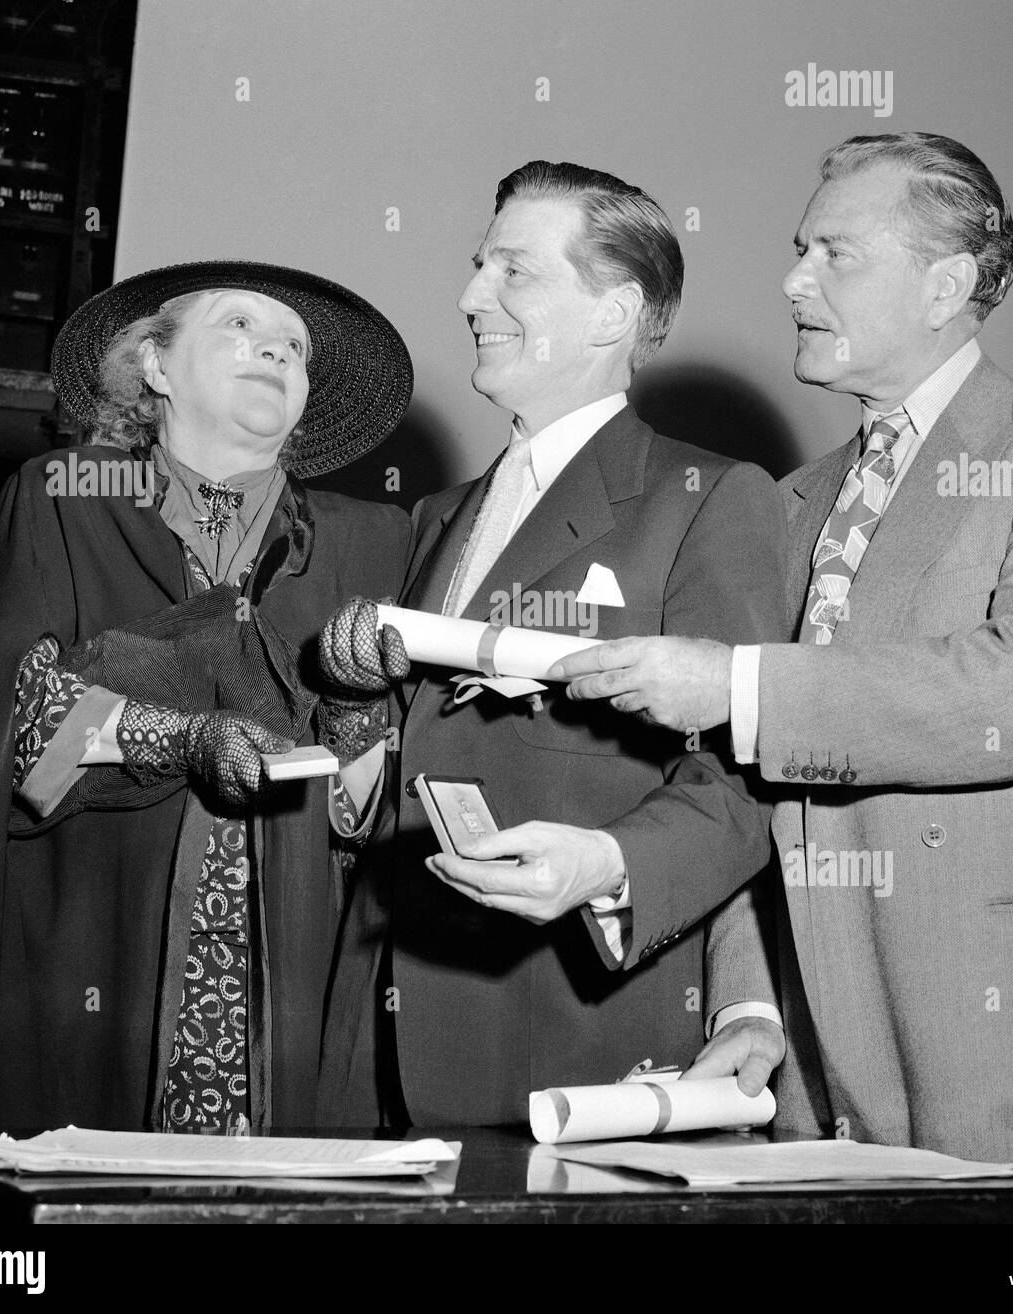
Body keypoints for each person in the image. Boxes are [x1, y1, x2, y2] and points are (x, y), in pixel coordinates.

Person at [551, 133, 1013, 1218]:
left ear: (944, 285)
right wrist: (749, 1013)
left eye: (833, 253)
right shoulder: (793, 502)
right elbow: (762, 808)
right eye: (799, 249)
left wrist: (738, 686)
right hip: (819, 1097)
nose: (793, 280)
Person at [320, 161, 787, 1126]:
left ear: (614, 314)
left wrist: (609, 865)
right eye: (477, 267)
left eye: (512, 272)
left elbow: (740, 789)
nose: (468, 298)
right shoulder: (435, 516)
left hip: (572, 1039)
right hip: (382, 1041)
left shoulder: (707, 500)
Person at [0, 260, 413, 1133]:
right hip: (94, 951)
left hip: (294, 983)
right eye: (236, 325)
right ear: (153, 364)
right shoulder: (62, 499)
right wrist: (177, 738)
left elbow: (376, 811)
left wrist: (361, 710)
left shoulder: (371, 541)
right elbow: (11, 728)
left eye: (293, 346)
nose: (274, 349)